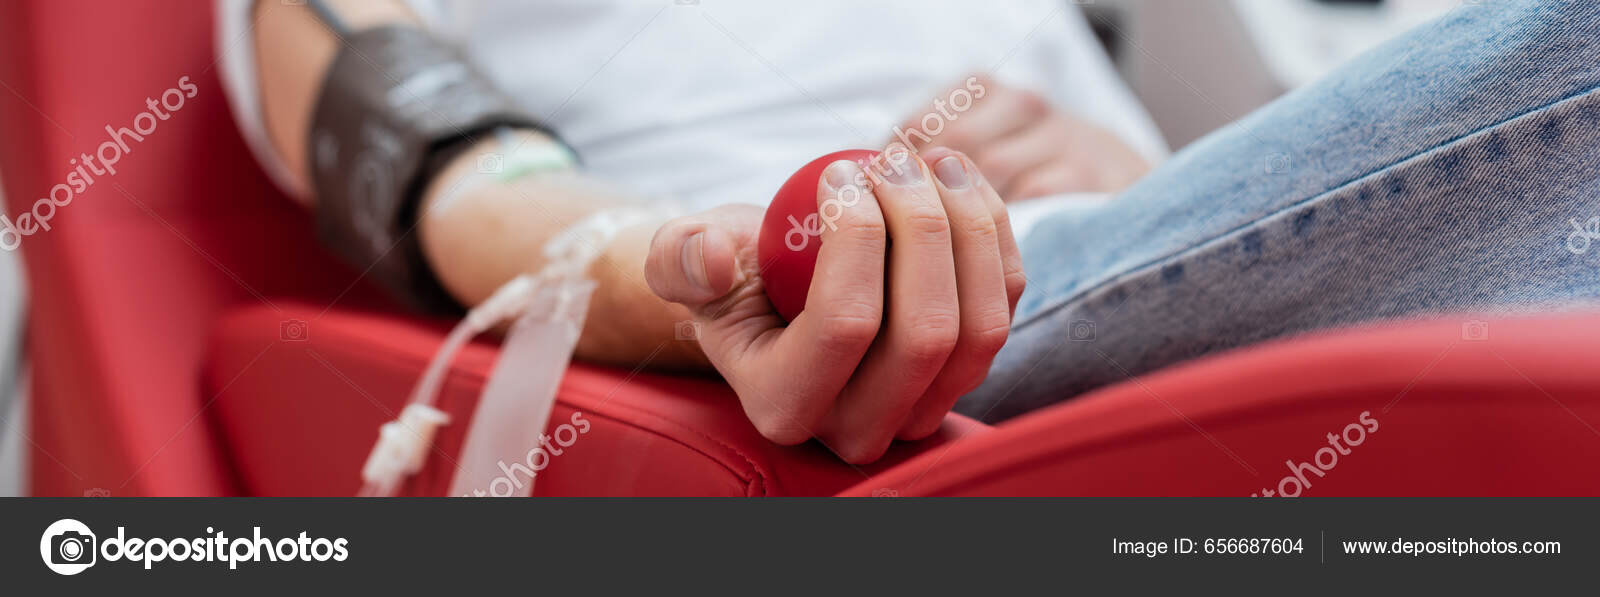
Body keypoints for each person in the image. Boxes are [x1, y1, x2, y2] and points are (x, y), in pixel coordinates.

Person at [222, 0, 1600, 464]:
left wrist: (1130, 164)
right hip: (878, 309)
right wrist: (722, 274)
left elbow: (1285, 184)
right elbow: (473, 197)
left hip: (1133, 254)